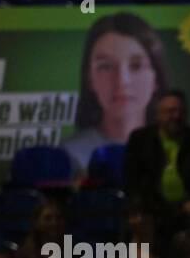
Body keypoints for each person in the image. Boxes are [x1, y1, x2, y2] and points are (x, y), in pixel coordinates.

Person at [62, 13, 168, 174]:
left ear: (156, 79)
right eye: (106, 66)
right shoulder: (70, 154)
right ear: (90, 78)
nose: (122, 81)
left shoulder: (179, 149)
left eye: (136, 66)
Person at [124, 90, 190, 239]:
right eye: (170, 112)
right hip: (152, 204)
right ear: (158, 115)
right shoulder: (140, 139)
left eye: (181, 112)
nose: (176, 116)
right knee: (134, 214)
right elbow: (131, 179)